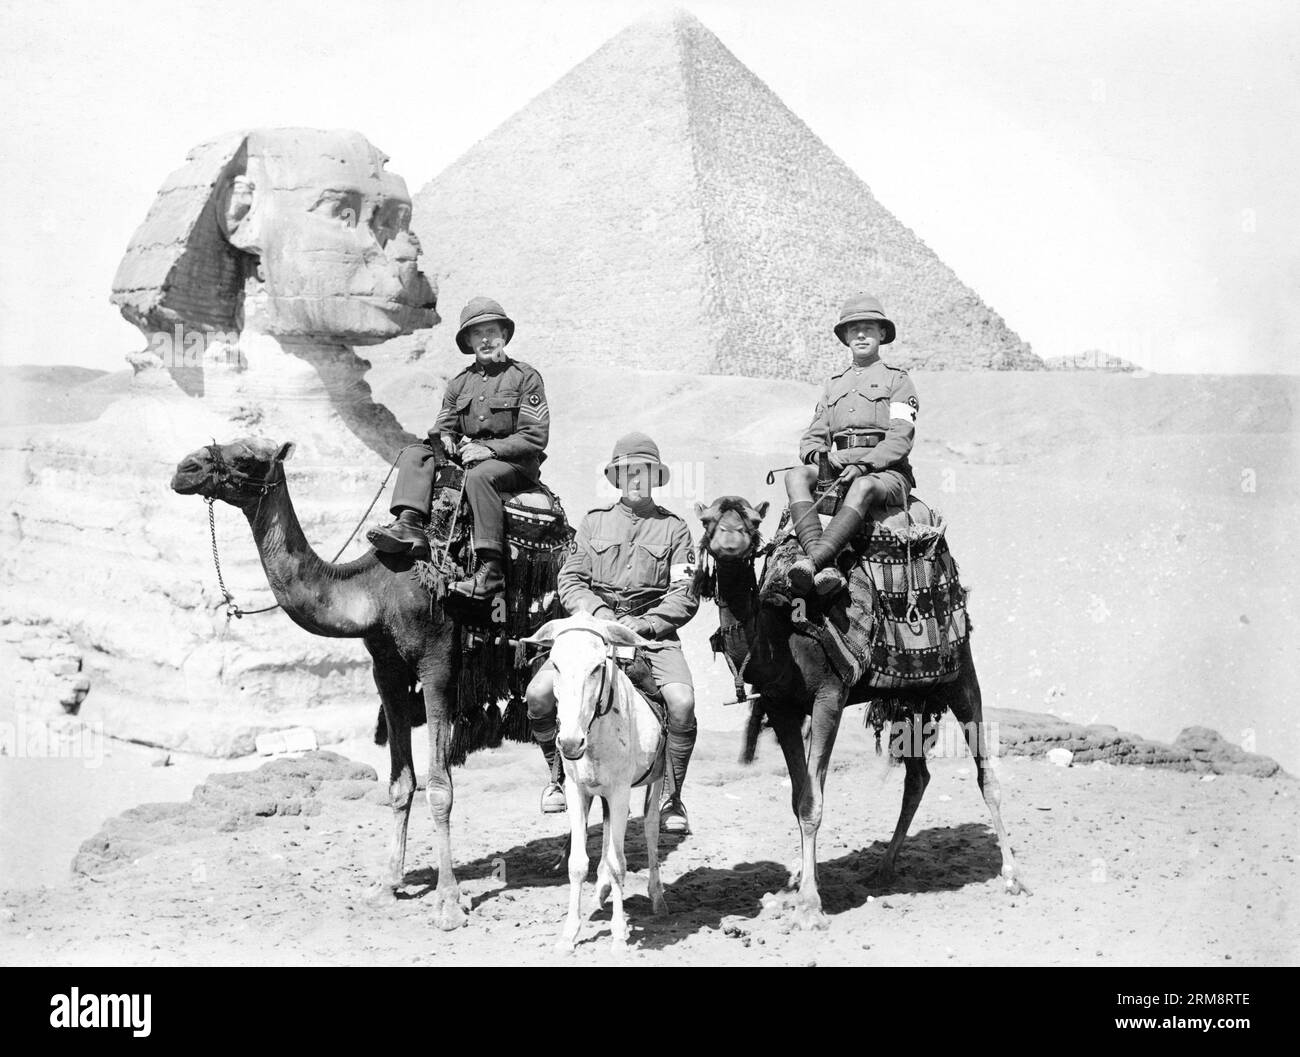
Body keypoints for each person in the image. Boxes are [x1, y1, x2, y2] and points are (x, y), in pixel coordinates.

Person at [525, 432, 700, 834]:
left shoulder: (675, 529)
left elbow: (685, 593)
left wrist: (646, 624)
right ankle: (555, 777)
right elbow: (570, 579)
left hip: (651, 633)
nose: (635, 479)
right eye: (627, 472)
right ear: (617, 478)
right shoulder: (594, 522)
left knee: (682, 702)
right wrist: (600, 615)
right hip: (592, 630)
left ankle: (673, 797)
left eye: (643, 472)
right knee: (537, 694)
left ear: (656, 477)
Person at [367, 297, 549, 598]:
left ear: (504, 335)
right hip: (471, 457)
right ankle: (408, 523)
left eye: (492, 331)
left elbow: (535, 436)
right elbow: (443, 426)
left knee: (480, 477)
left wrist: (490, 451)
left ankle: (491, 571)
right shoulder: (459, 384)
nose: (486, 339)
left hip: (515, 462)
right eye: (478, 334)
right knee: (414, 452)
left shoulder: (525, 377)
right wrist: (446, 439)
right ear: (468, 340)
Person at [785, 293, 919, 597]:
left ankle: (815, 561)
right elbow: (814, 435)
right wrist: (818, 456)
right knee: (795, 475)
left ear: (882, 334)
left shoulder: (898, 380)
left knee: (862, 488)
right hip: (836, 466)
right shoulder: (833, 384)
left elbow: (901, 437)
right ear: (845, 337)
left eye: (869, 328)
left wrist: (864, 464)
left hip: (885, 472)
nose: (861, 335)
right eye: (853, 329)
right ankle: (828, 568)